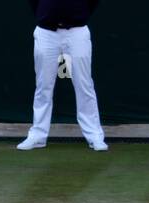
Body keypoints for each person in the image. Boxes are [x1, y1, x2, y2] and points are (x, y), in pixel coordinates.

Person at [18, 0, 106, 151]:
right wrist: (44, 14)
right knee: (43, 86)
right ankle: (38, 135)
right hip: (46, 32)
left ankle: (94, 136)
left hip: (77, 31)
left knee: (84, 85)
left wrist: (79, 13)